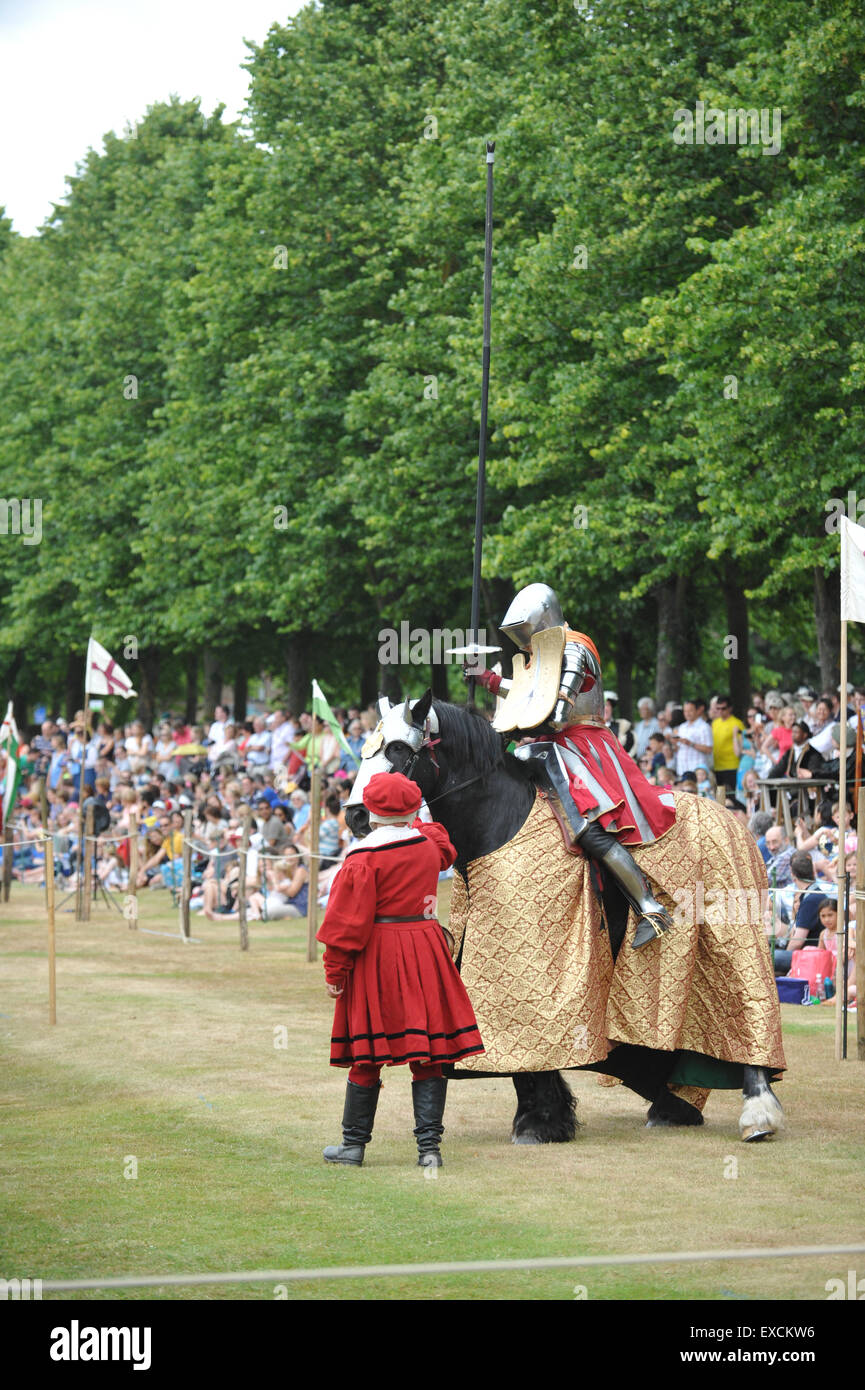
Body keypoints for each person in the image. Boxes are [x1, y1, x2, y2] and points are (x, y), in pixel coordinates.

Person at [472, 583, 675, 948]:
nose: (523, 640)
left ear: (543, 619)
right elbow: (529, 694)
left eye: (525, 629)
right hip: (552, 743)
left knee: (585, 822)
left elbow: (555, 715)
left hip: (582, 742)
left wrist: (508, 731)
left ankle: (649, 906)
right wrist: (488, 680)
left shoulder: (574, 648)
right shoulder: (543, 656)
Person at [317, 772, 484, 1169]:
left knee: (366, 1052)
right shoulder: (426, 845)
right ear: (411, 811)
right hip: (424, 948)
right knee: (427, 1052)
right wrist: (418, 816)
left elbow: (345, 926)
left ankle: (353, 1147)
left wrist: (334, 973)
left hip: (377, 951)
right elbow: (444, 844)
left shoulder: (362, 857)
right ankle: (429, 1151)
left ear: (370, 813)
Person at [672, 699, 713, 778]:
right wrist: (674, 743)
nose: (687, 713)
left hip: (697, 770)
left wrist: (690, 743)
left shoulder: (704, 727)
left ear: (697, 711)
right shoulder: (682, 727)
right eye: (685, 711)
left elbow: (709, 749)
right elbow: (678, 748)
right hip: (682, 769)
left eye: (690, 711)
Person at [711, 696, 744, 792]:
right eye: (718, 708)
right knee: (719, 797)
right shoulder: (715, 723)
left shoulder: (737, 723)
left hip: (732, 765)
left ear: (730, 708)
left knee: (731, 796)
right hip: (717, 765)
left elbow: (742, 744)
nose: (720, 711)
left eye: (723, 708)